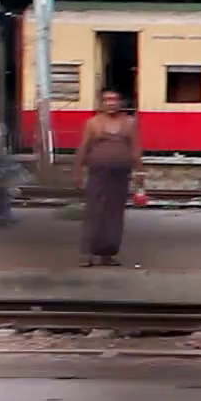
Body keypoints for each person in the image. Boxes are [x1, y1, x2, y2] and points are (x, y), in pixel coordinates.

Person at [73, 89, 141, 267]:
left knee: (115, 214)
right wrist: (78, 171)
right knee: (95, 212)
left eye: (114, 99)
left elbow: (135, 149)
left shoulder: (128, 123)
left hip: (121, 174)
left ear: (120, 103)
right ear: (101, 103)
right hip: (98, 173)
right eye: (107, 99)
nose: (111, 103)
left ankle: (107, 254)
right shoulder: (93, 123)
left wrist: (140, 174)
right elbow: (83, 148)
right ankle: (86, 254)